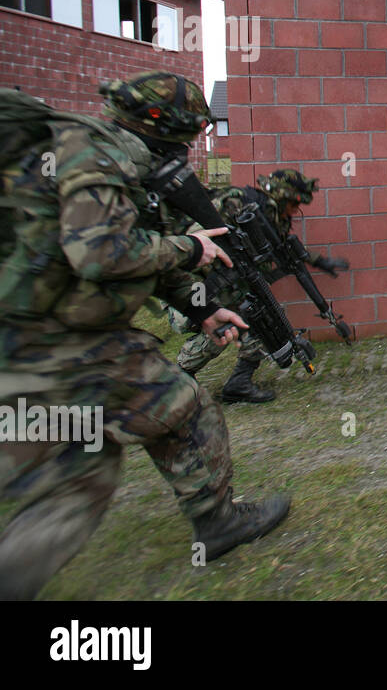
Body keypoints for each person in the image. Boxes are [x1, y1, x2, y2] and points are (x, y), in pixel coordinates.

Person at [0, 73, 290, 599]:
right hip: (62, 339)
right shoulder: (95, 151)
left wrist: (203, 308)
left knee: (74, 468)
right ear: (171, 129)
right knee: (177, 409)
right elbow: (101, 254)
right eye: (193, 134)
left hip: (25, 338)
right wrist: (189, 248)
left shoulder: (104, 155)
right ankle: (219, 522)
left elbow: (142, 248)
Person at [174, 169, 348, 403]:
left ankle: (239, 383)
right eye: (295, 204)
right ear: (283, 197)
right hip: (188, 285)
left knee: (259, 320)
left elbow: (286, 250)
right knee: (224, 325)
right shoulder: (236, 202)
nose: (295, 211)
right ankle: (177, 377)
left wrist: (321, 262)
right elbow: (193, 240)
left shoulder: (270, 216)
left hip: (221, 284)